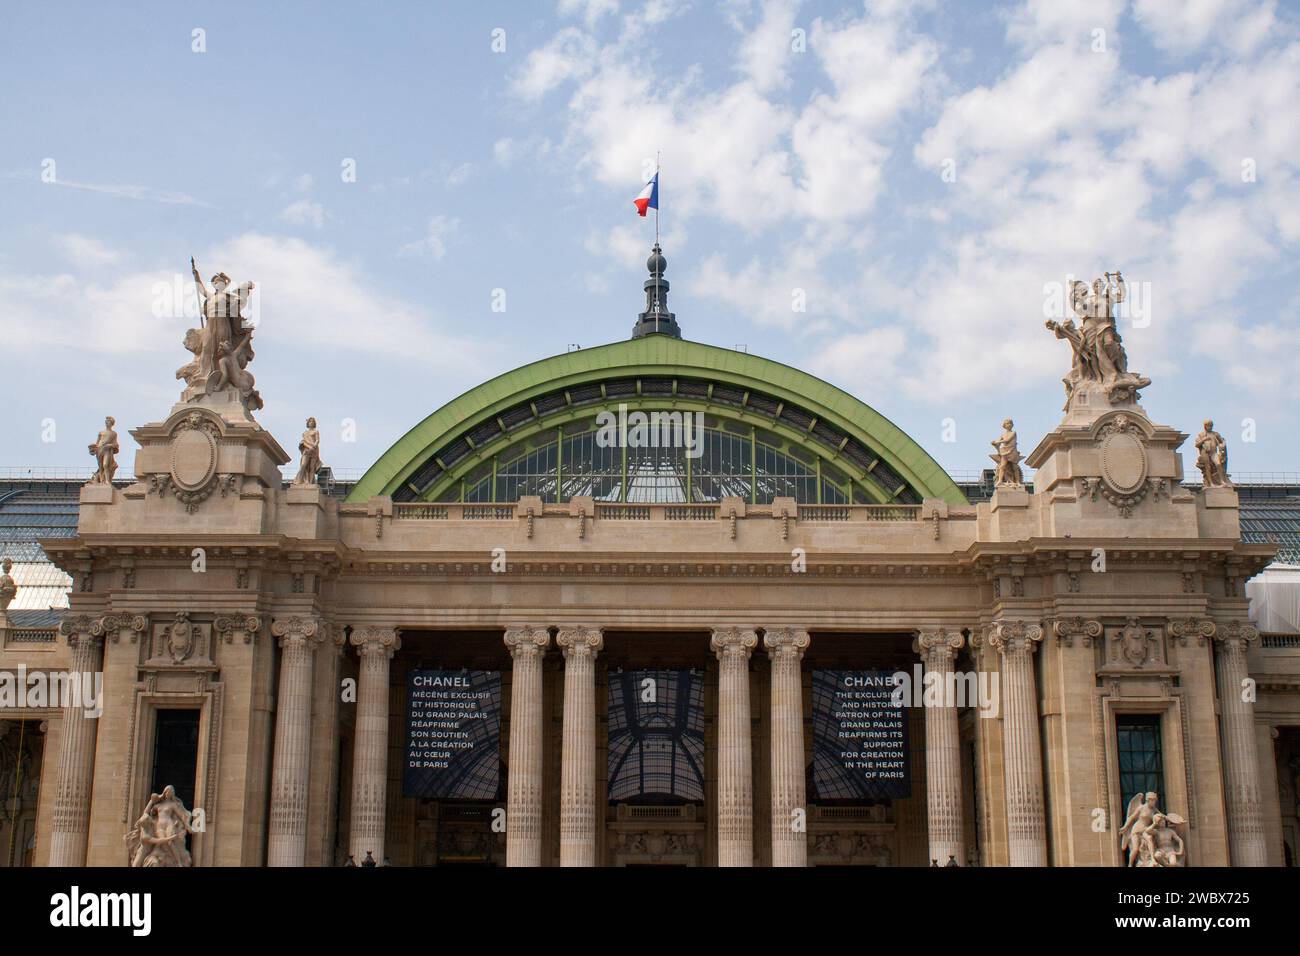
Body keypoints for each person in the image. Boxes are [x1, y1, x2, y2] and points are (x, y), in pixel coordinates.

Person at [89, 416, 119, 484]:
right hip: (100, 449)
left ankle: (107, 481)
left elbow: (116, 444)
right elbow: (97, 442)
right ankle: (102, 481)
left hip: (107, 450)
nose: (107, 423)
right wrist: (93, 449)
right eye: (106, 422)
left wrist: (110, 445)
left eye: (109, 422)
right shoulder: (101, 432)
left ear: (112, 423)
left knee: (105, 465)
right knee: (100, 466)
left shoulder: (114, 433)